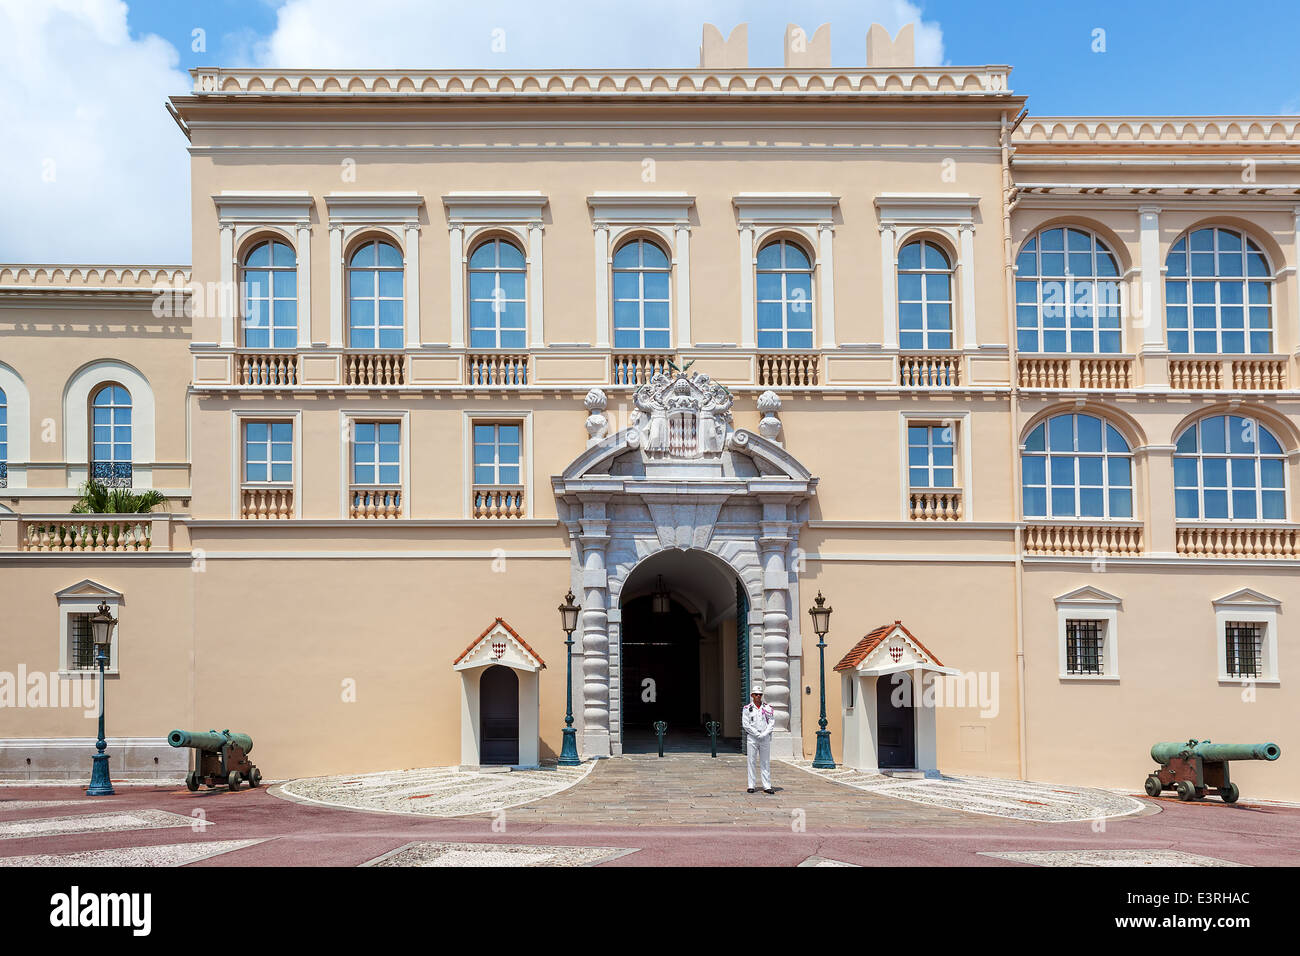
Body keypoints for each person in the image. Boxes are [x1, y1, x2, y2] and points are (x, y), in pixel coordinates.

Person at [742, 684, 775, 794]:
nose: (758, 696)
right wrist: (756, 733)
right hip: (752, 738)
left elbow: (771, 722)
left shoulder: (767, 708)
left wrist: (765, 733)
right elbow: (746, 724)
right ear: (752, 695)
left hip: (764, 737)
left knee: (765, 762)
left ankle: (767, 785)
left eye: (760, 694)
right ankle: (751, 785)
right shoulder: (747, 709)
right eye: (756, 694)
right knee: (751, 761)